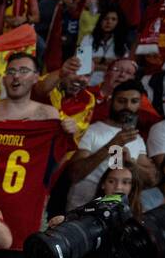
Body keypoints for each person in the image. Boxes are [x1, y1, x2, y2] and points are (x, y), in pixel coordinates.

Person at [66, 80, 159, 209]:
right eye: (121, 101)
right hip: (82, 211)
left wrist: (131, 163)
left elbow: (151, 180)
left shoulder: (136, 138)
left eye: (134, 101)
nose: (127, 106)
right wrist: (112, 145)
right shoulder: (91, 130)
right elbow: (74, 174)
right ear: (111, 102)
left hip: (117, 214)